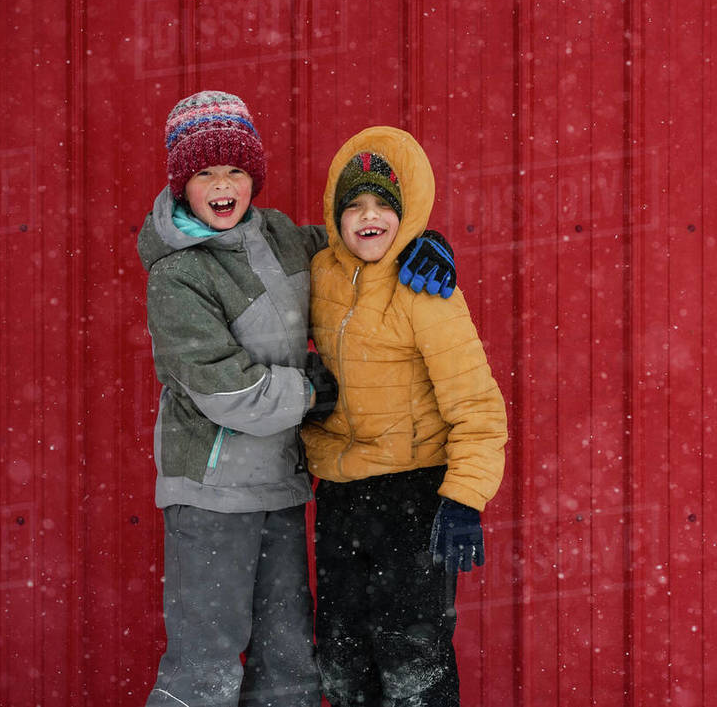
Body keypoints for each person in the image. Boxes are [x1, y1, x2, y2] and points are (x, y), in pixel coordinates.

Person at [138, 92, 457, 707]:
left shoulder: (282, 237)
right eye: (205, 172)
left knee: (287, 665)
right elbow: (227, 387)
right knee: (205, 668)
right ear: (182, 184)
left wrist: (423, 241)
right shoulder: (178, 275)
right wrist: (310, 389)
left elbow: (358, 248)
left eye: (235, 169)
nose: (222, 185)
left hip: (281, 486)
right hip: (211, 492)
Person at [303, 126, 507, 707]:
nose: (369, 216)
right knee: (342, 660)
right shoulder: (319, 273)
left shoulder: (426, 289)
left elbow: (477, 406)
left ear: (406, 213)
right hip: (341, 496)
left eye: (384, 204)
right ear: (335, 216)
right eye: (354, 205)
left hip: (413, 499)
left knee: (413, 663)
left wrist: (465, 497)